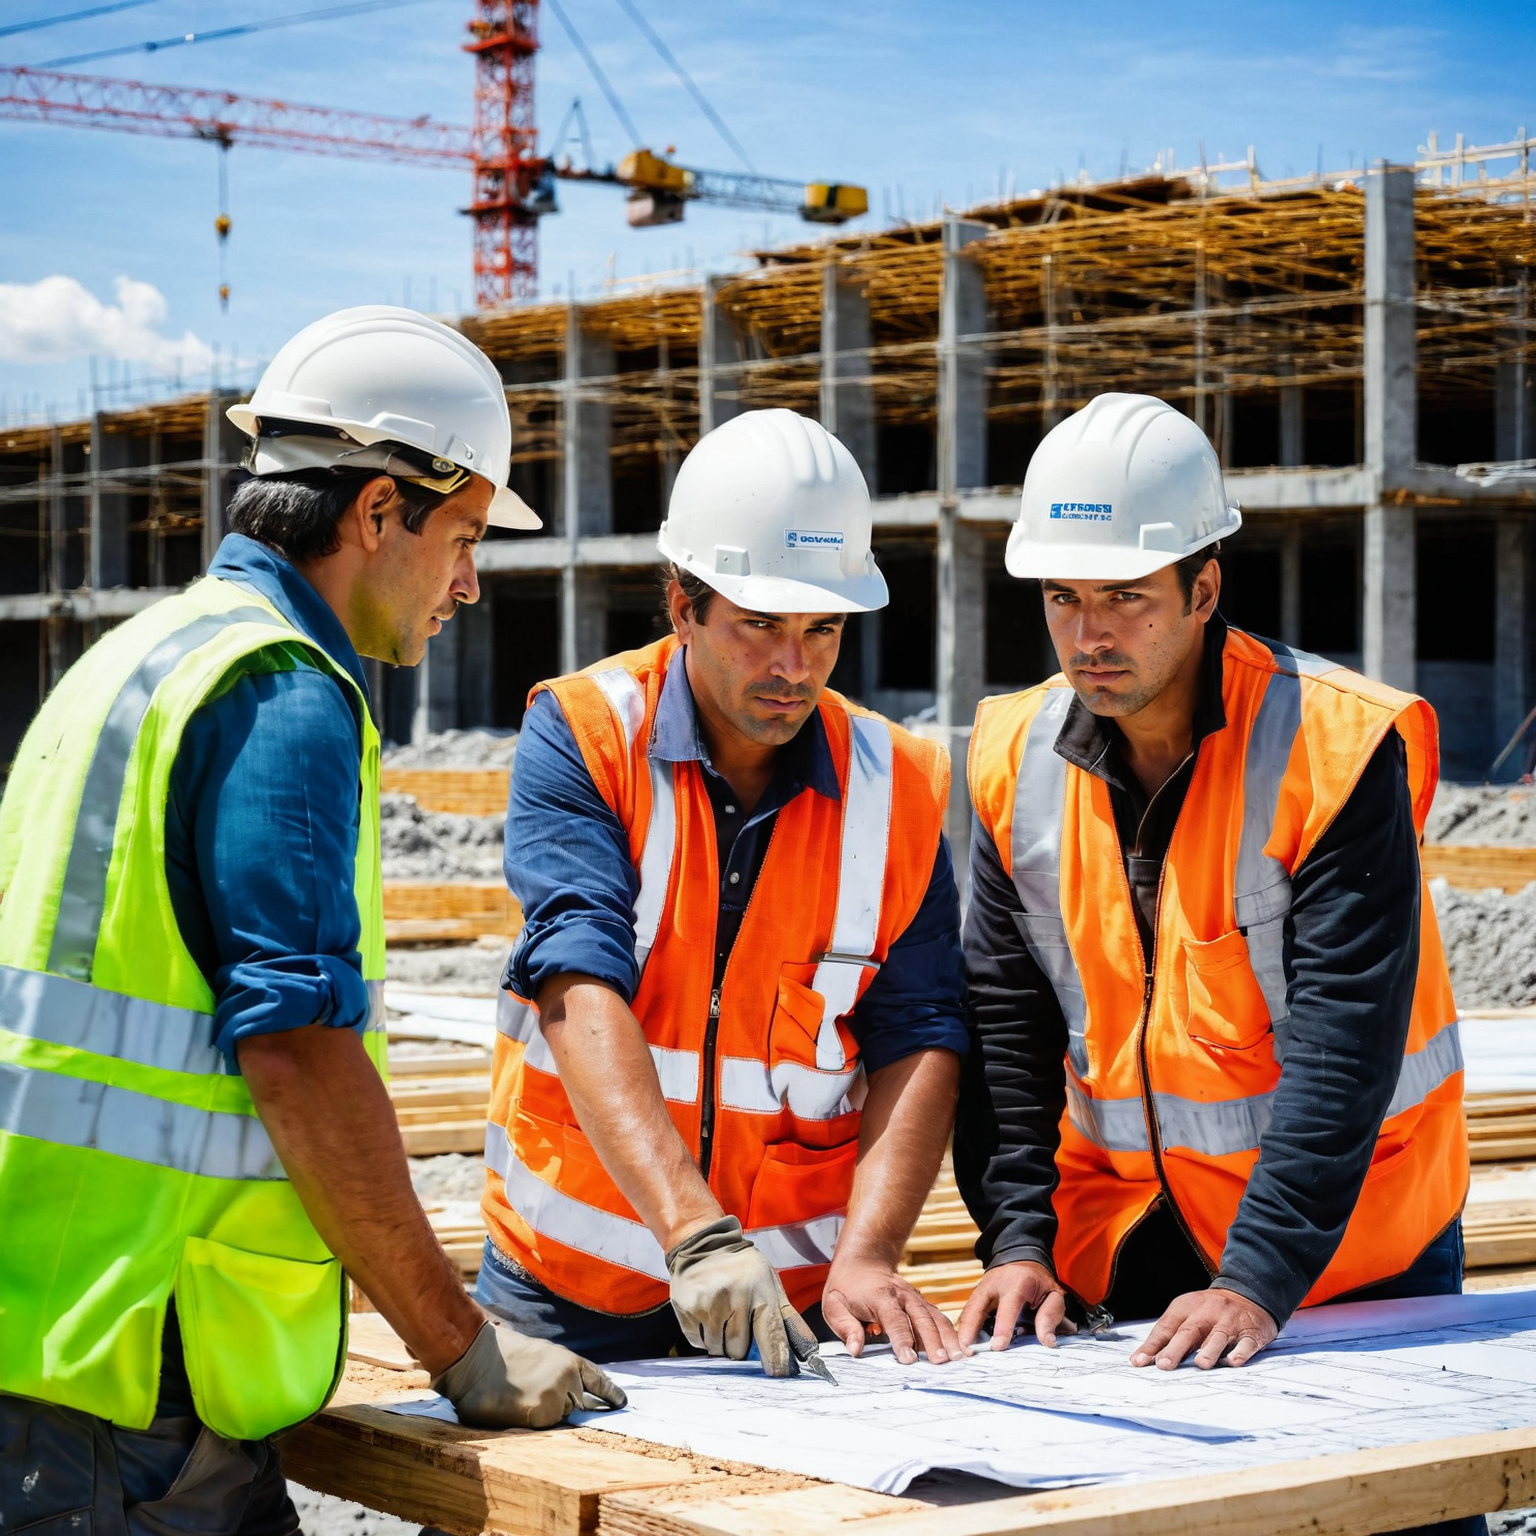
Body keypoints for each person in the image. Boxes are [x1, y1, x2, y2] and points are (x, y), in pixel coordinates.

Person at [0, 307, 622, 1536]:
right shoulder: (281, 692)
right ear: (377, 512)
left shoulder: (139, 658)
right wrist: (460, 1345)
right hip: (141, 1370)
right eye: (458, 536)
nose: (469, 582)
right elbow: (294, 1049)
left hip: (54, 1311)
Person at [955, 392, 1469, 1377]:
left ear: (1202, 591)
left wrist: (1257, 1277)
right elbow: (1005, 1029)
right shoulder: (1011, 756)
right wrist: (1017, 1240)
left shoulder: (1334, 749)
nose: (1089, 635)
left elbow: (1343, 1047)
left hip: (1347, 1250)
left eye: (1126, 597)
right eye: (1064, 597)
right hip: (1131, 1239)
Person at [480, 408, 971, 1374]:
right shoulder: (585, 734)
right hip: (573, 1281)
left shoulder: (899, 785)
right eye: (759, 626)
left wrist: (868, 1255)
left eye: (822, 628)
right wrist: (695, 1232)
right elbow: (576, 974)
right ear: (683, 605)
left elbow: (921, 1030)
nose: (794, 667)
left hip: (790, 1299)